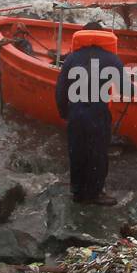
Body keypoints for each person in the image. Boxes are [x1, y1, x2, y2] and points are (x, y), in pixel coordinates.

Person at [55, 21, 124, 205]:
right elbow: (124, 89)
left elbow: (61, 90)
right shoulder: (112, 59)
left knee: (77, 151)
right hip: (98, 114)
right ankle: (95, 193)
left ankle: (77, 191)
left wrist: (64, 112)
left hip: (76, 113)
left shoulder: (71, 58)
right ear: (103, 37)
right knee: (98, 153)